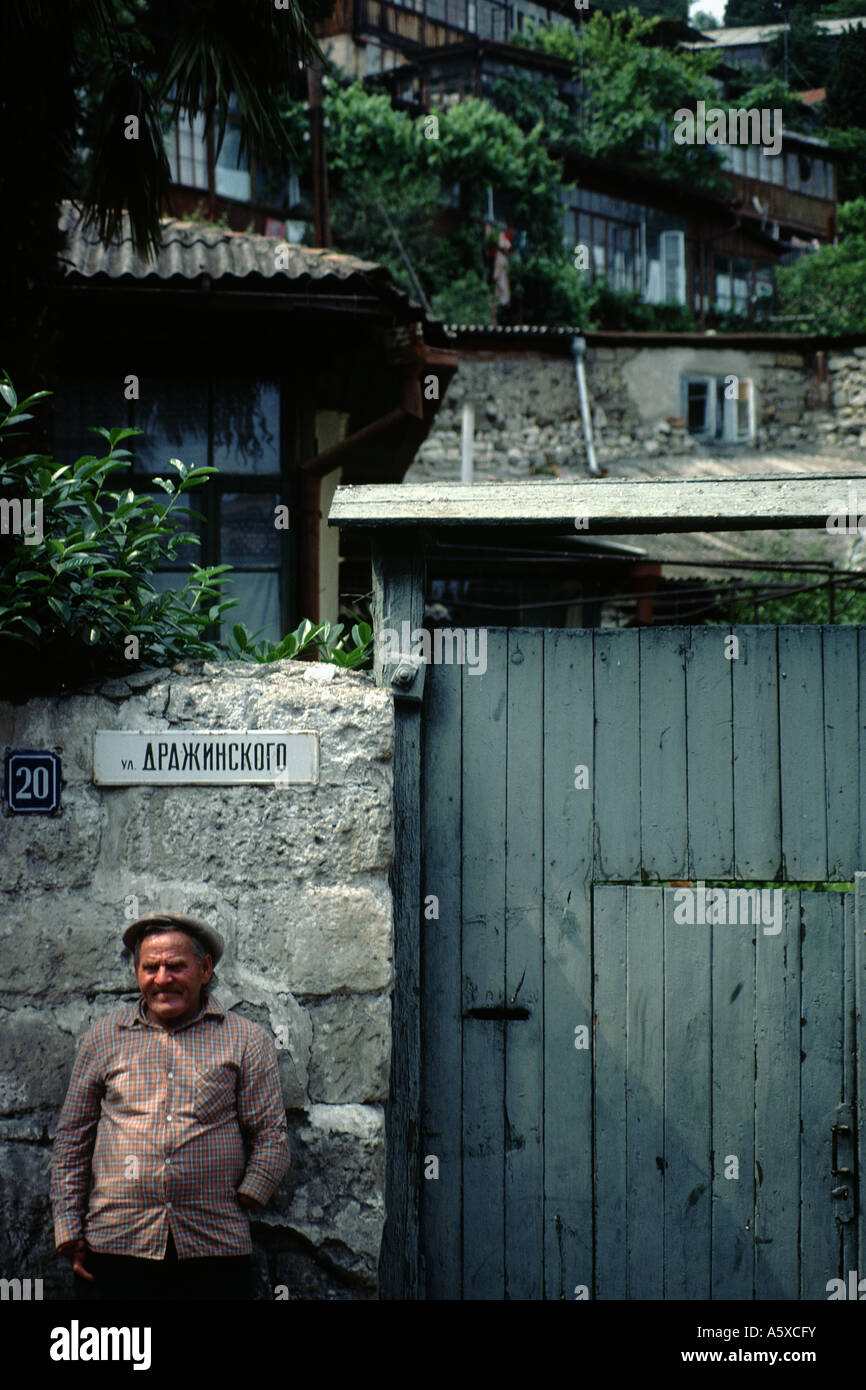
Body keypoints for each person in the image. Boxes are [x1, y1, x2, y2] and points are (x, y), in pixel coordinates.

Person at [50, 911, 290, 1300]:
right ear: (137, 972)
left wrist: (249, 1193)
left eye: (176, 966)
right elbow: (71, 1142)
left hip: (212, 1245)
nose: (163, 979)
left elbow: (271, 1135)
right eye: (151, 967)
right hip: (115, 1243)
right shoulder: (103, 1039)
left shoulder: (246, 1040)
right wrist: (68, 1228)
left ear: (205, 968)